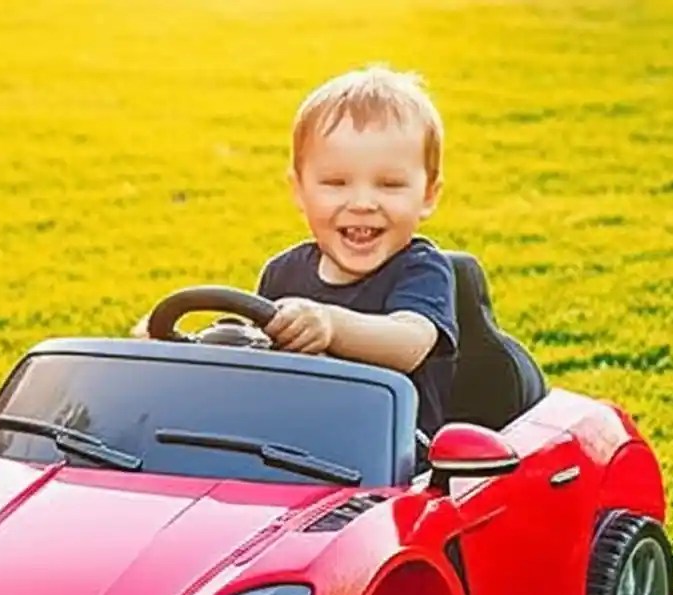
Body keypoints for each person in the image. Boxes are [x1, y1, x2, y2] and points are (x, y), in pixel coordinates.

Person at [136, 64, 458, 438]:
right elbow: (258, 365)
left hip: (391, 462)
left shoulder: (421, 270)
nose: (362, 203)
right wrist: (180, 351)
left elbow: (409, 344)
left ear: (429, 196)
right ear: (299, 190)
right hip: (291, 452)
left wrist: (331, 325)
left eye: (389, 185)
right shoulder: (282, 272)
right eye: (336, 183)